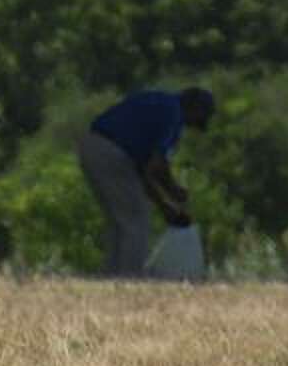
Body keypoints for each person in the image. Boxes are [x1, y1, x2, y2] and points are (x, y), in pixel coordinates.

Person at [75, 84, 216, 277]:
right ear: (194, 108)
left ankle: (111, 278)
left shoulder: (160, 100)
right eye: (197, 119)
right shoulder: (174, 113)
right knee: (136, 221)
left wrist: (166, 205)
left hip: (93, 146)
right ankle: (129, 280)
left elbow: (143, 174)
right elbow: (157, 166)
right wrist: (173, 190)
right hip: (112, 152)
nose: (191, 126)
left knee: (121, 221)